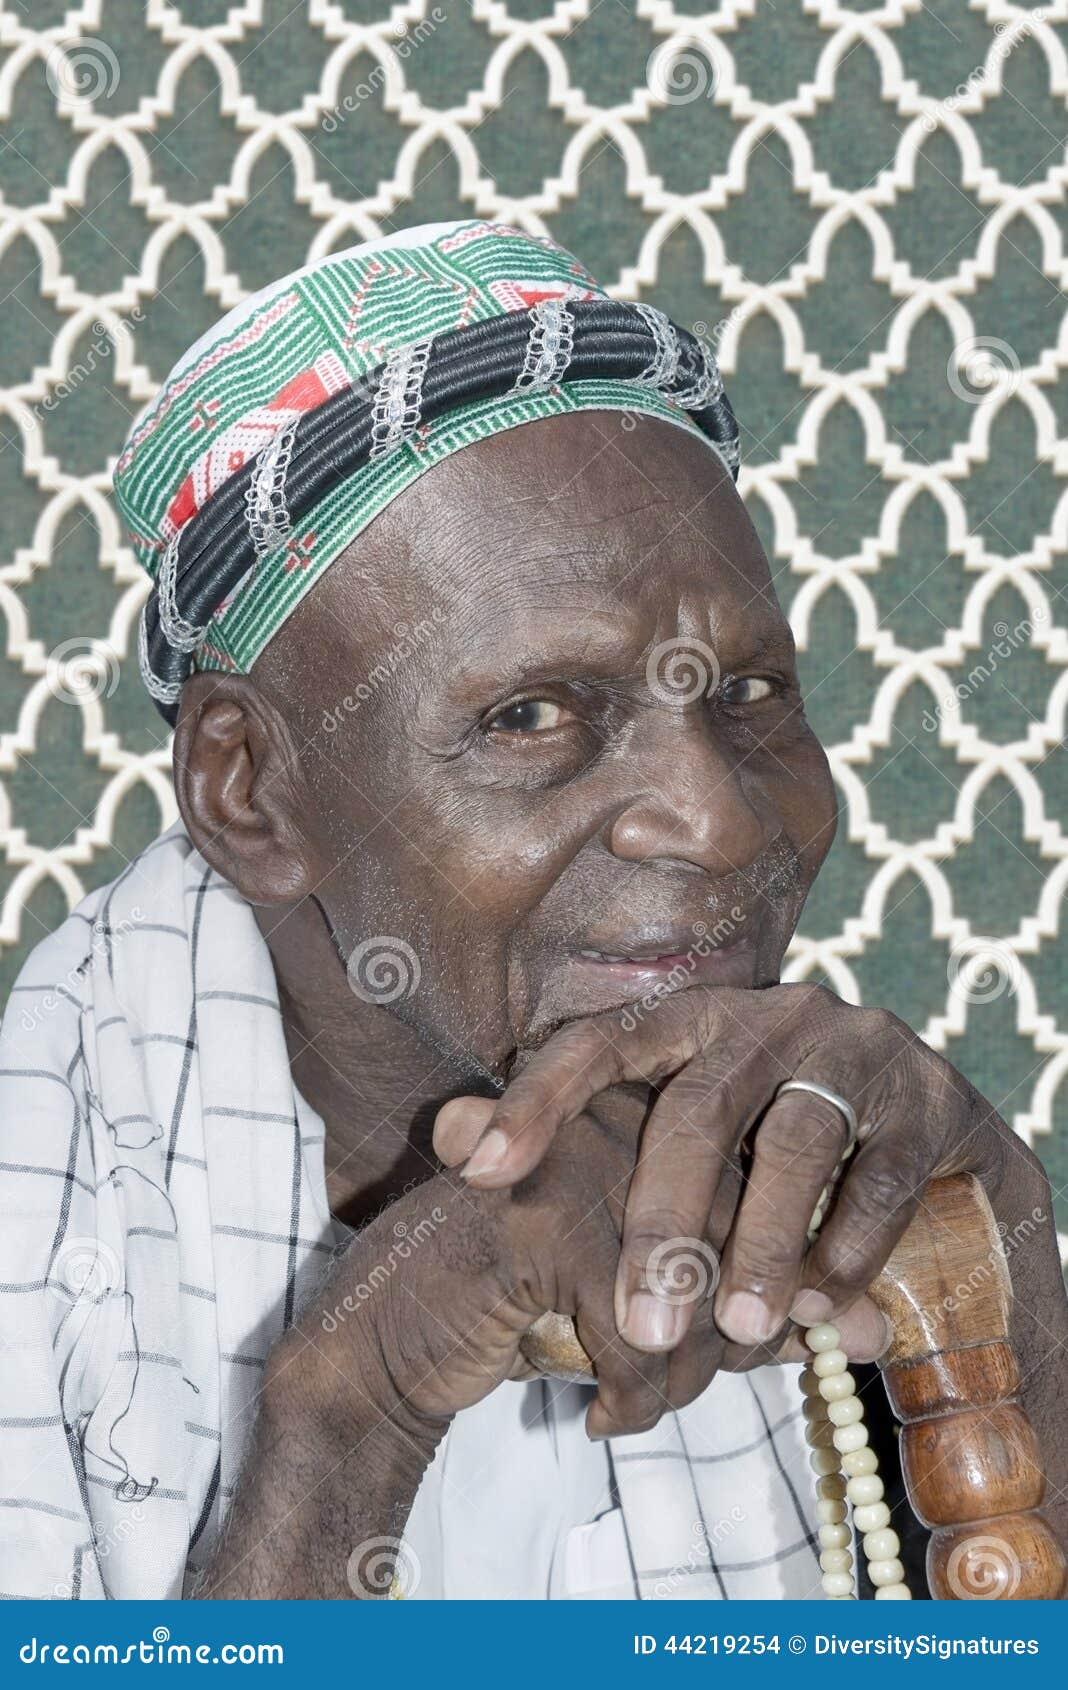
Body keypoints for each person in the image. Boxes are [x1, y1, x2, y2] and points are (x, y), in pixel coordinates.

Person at [1, 222, 1064, 1602]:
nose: (722, 819)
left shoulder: (821, 1184)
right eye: (535, 714)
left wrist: (1011, 1274)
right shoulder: (45, 1227)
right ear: (249, 790)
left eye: (746, 695)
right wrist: (359, 1402)